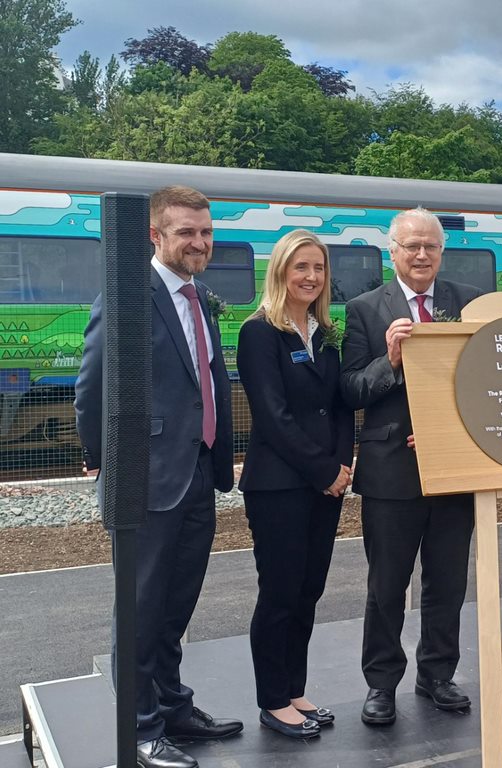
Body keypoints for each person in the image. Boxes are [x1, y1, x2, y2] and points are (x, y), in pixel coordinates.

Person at [75, 186, 242, 768]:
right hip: (144, 478)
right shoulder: (129, 296)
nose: (199, 242)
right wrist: (105, 460)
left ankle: (172, 706)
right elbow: (92, 386)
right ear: (155, 235)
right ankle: (140, 729)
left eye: (206, 231)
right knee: (140, 611)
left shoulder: (198, 298)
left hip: (197, 472)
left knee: (176, 607)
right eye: (186, 232)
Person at [339, 207, 483, 727]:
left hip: (455, 469)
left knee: (447, 583)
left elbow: (491, 379)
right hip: (390, 472)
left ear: (442, 252)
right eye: (412, 246)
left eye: (431, 246)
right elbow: (350, 390)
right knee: (386, 586)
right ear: (393, 251)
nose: (422, 255)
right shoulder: (363, 310)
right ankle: (381, 683)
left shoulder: (469, 302)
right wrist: (390, 361)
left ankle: (438, 674)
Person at [237, 230, 354, 739]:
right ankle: (272, 700)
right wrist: (323, 470)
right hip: (279, 486)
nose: (311, 276)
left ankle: (294, 689)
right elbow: (272, 416)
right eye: (301, 266)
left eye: (319, 268)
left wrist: (343, 465)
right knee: (280, 592)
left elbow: (342, 406)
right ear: (281, 271)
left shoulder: (326, 333)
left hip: (325, 484)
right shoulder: (259, 333)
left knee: (309, 590)